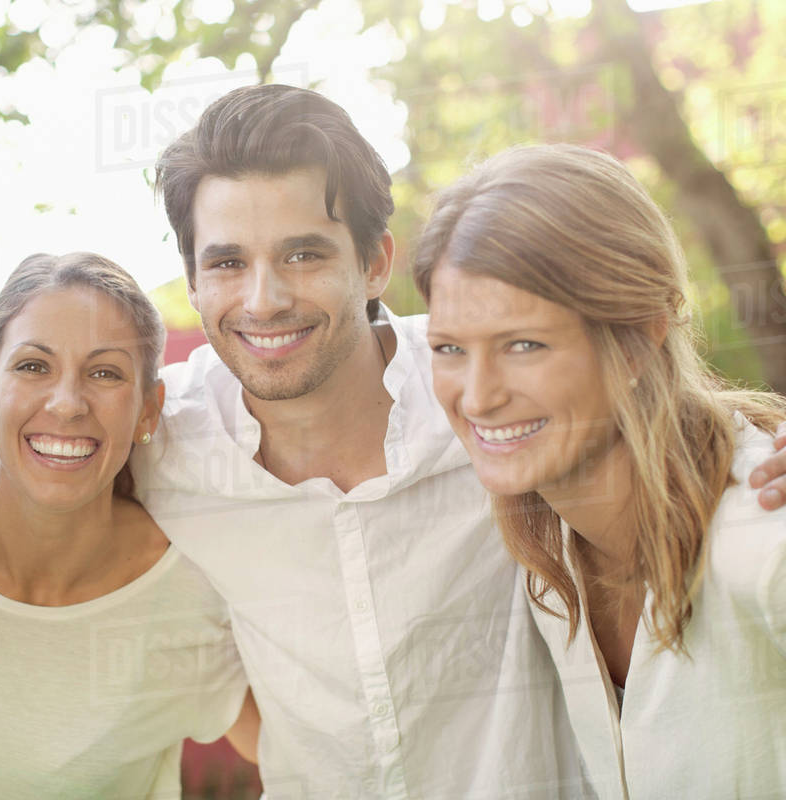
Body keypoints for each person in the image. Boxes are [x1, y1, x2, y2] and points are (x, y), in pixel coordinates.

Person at [130, 84, 588, 798]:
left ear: (375, 263)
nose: (263, 300)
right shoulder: (160, 443)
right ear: (191, 278)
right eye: (226, 263)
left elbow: (659, 417)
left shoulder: (484, 396)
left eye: (303, 255)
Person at [414, 143, 786, 799]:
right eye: (449, 348)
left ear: (640, 338)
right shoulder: (544, 556)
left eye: (523, 344)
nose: (476, 397)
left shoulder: (765, 535)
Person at [0, 252, 254, 798]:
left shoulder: (193, 586)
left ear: (148, 411)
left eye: (105, 373)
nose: (66, 404)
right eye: (33, 366)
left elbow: (310, 752)